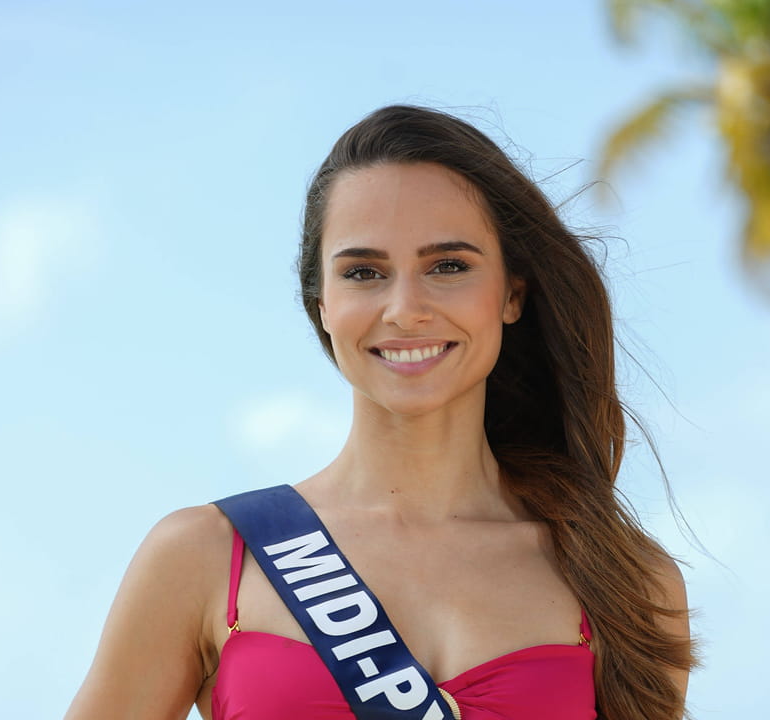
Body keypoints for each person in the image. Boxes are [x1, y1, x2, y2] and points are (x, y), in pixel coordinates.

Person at [65, 105, 696, 720]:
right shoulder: (205, 556)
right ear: (321, 305)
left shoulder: (624, 583)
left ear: (511, 293)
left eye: (448, 266)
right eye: (364, 272)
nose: (404, 310)